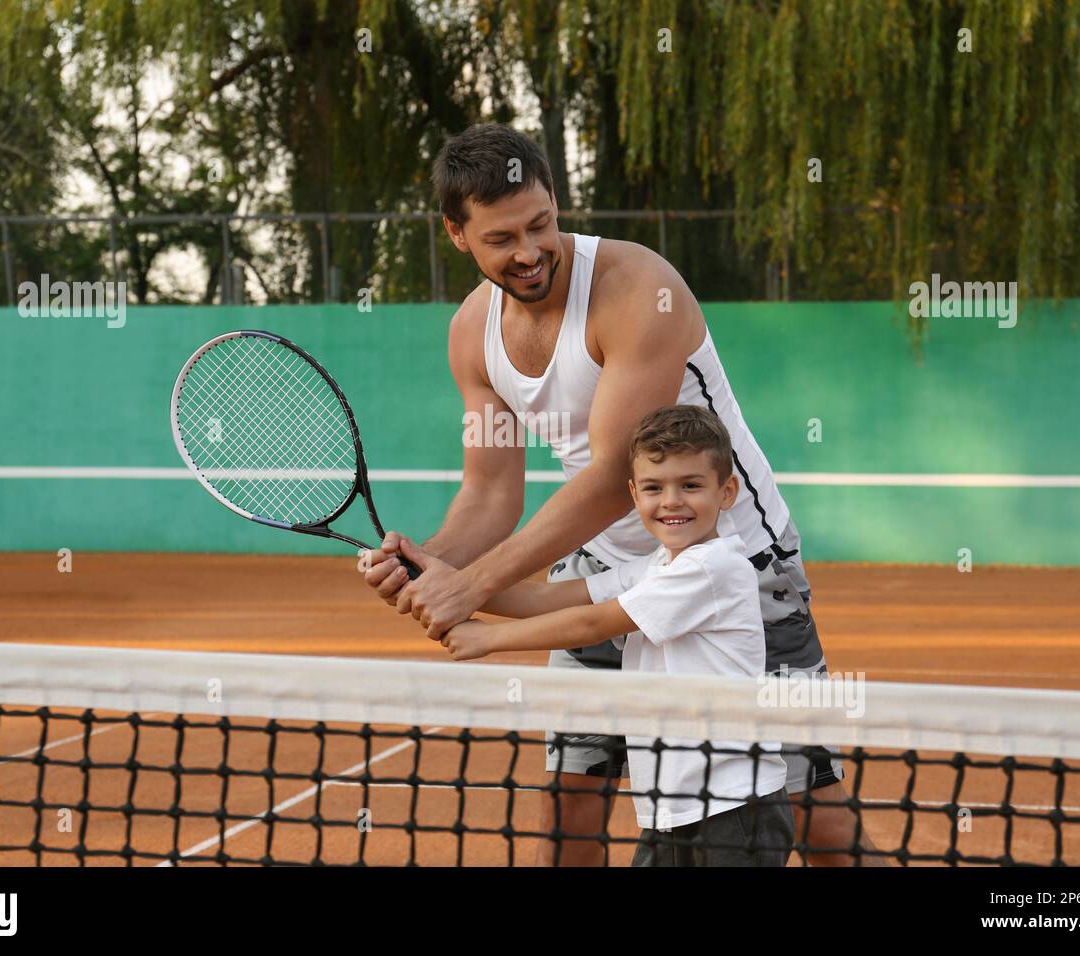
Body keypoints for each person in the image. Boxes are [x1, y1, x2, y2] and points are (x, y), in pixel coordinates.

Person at [360, 122, 880, 866]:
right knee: (569, 809)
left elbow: (612, 478)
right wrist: (429, 563)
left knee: (815, 818)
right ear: (457, 235)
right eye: (503, 238)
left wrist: (470, 585)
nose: (531, 250)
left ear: (555, 202)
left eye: (541, 224)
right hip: (602, 577)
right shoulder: (471, 332)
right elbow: (488, 490)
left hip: (738, 567)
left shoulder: (639, 290)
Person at [433, 405, 795, 866]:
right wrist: (444, 583)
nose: (671, 501)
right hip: (671, 807)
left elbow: (594, 622)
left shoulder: (713, 566)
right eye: (653, 487)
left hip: (734, 810)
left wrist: (487, 640)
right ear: (633, 494)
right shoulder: (661, 565)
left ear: (727, 492)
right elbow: (559, 598)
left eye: (690, 485)